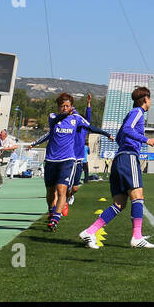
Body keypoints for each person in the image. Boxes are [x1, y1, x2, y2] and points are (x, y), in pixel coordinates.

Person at [80, 85, 154, 249]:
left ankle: (90, 231)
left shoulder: (131, 114)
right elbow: (127, 129)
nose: (150, 102)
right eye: (150, 99)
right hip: (128, 158)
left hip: (119, 159)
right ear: (145, 100)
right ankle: (137, 237)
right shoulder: (138, 112)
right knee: (137, 196)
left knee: (119, 203)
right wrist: (146, 140)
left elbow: (118, 136)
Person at [31, 92, 112, 230]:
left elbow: (90, 126)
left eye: (67, 106)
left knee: (62, 190)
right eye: (62, 106)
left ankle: (56, 218)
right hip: (51, 160)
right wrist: (68, 113)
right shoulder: (53, 117)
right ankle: (52, 211)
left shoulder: (76, 119)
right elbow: (57, 120)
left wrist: (106, 134)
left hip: (68, 160)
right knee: (50, 191)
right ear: (58, 106)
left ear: (71, 106)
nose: (64, 108)